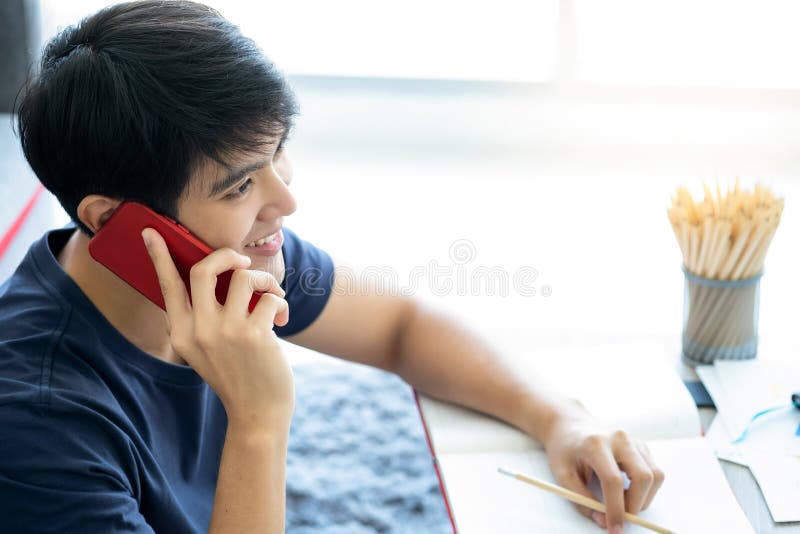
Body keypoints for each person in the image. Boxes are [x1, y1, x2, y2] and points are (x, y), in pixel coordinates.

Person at [0, 2, 663, 533]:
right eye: (238, 188)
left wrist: (560, 420)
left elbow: (401, 326)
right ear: (113, 220)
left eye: (278, 153)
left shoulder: (233, 266)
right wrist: (260, 421)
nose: (286, 200)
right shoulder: (40, 425)